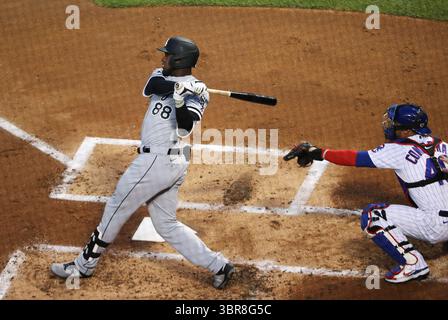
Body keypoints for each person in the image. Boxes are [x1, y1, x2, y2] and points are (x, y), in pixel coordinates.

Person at [51, 36, 235, 289]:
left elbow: (185, 126)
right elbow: (154, 86)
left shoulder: (199, 94)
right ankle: (219, 266)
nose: (163, 58)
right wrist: (178, 89)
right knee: (166, 224)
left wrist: (183, 99)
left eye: (167, 55)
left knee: (116, 206)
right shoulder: (162, 75)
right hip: (167, 162)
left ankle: (83, 266)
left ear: (179, 59)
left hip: (158, 160)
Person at [284, 103, 448, 283]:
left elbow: (354, 158)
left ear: (407, 131)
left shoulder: (398, 150)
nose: (390, 127)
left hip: (435, 226)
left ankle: (414, 264)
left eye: (394, 124)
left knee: (372, 215)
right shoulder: (442, 145)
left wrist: (318, 152)